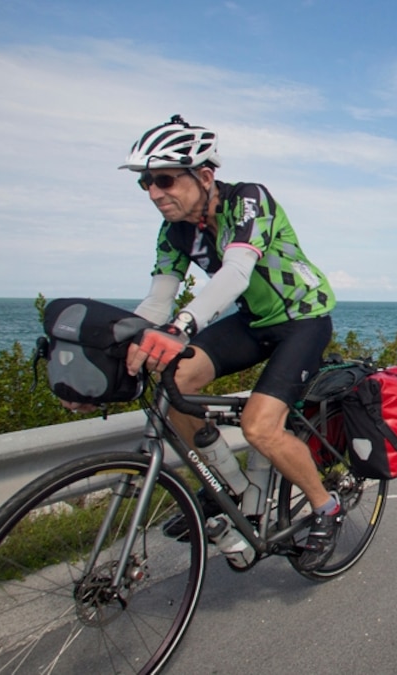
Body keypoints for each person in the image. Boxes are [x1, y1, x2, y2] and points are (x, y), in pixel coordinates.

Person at [113, 114, 340, 569]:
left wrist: (181, 327)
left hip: (302, 319)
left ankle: (325, 506)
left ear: (204, 176)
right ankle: (226, 486)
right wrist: (118, 344)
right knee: (173, 383)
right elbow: (158, 300)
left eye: (164, 180)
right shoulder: (175, 231)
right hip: (253, 321)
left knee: (259, 427)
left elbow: (236, 272)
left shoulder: (248, 200)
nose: (154, 193)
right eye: (146, 183)